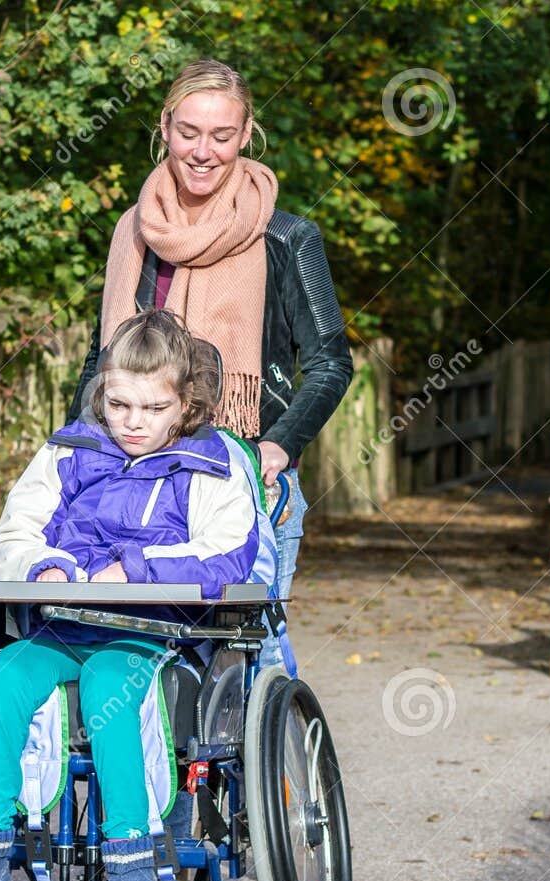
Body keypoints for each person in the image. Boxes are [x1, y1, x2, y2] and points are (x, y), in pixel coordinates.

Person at [0, 310, 276, 881]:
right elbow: (14, 532)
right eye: (119, 404)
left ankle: (132, 861)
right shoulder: (69, 450)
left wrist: (131, 568)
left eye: (153, 409)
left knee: (112, 684)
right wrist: (44, 568)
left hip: (154, 633)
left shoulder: (211, 465)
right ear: (101, 392)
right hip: (61, 623)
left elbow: (229, 554)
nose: (133, 422)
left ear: (185, 402)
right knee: (2, 676)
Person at [66, 57, 354, 674]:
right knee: (136, 655)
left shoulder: (285, 238)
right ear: (165, 127)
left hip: (245, 480)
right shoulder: (134, 234)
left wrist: (278, 445)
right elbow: (103, 361)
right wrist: (71, 454)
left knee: (251, 660)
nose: (204, 151)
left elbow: (330, 363)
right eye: (189, 132)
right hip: (135, 484)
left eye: (222, 136)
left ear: (246, 134)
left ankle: (282, 768)